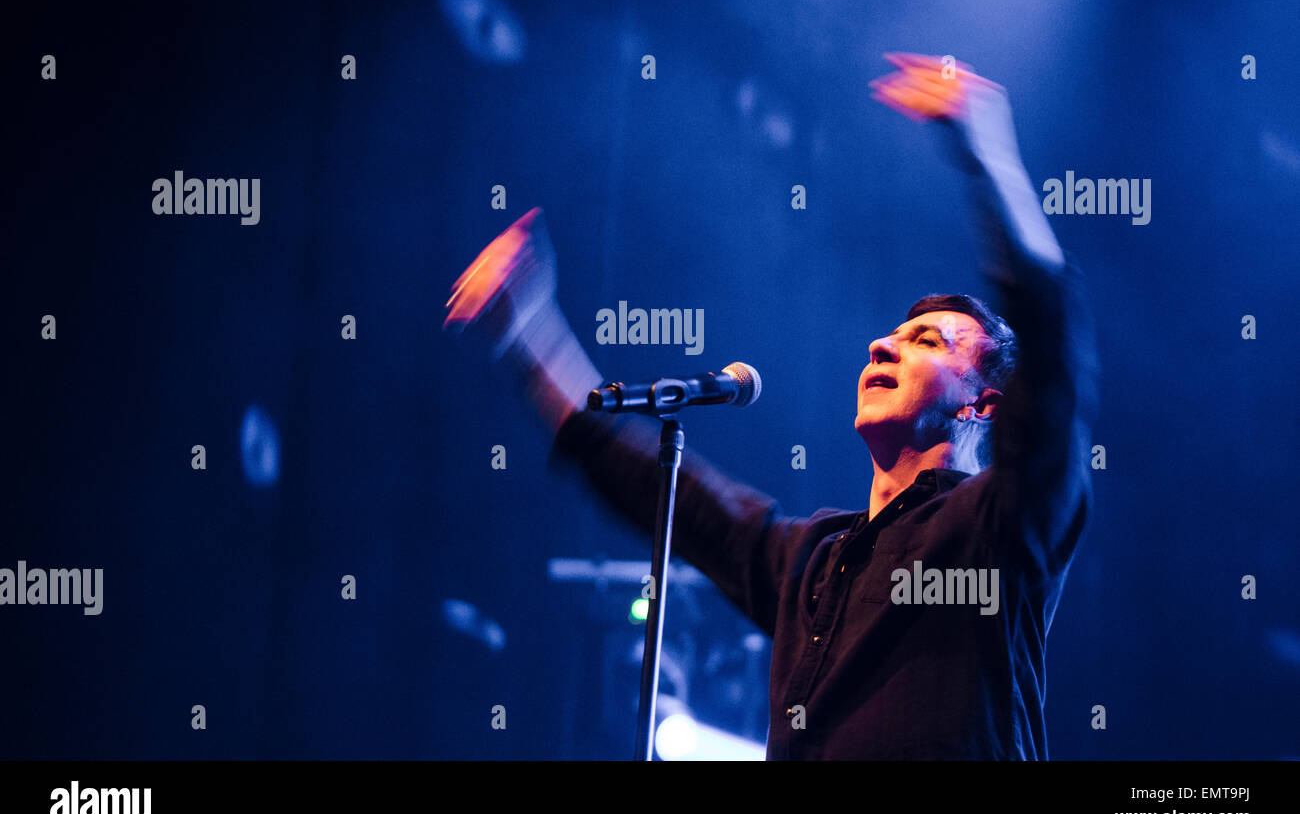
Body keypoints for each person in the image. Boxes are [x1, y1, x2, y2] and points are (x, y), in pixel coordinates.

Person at [444, 54, 1099, 759]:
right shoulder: (810, 559)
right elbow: (654, 486)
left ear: (983, 404)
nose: (883, 345)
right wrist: (528, 333)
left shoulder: (997, 526)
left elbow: (1054, 350)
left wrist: (988, 156)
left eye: (926, 341)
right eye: (891, 333)